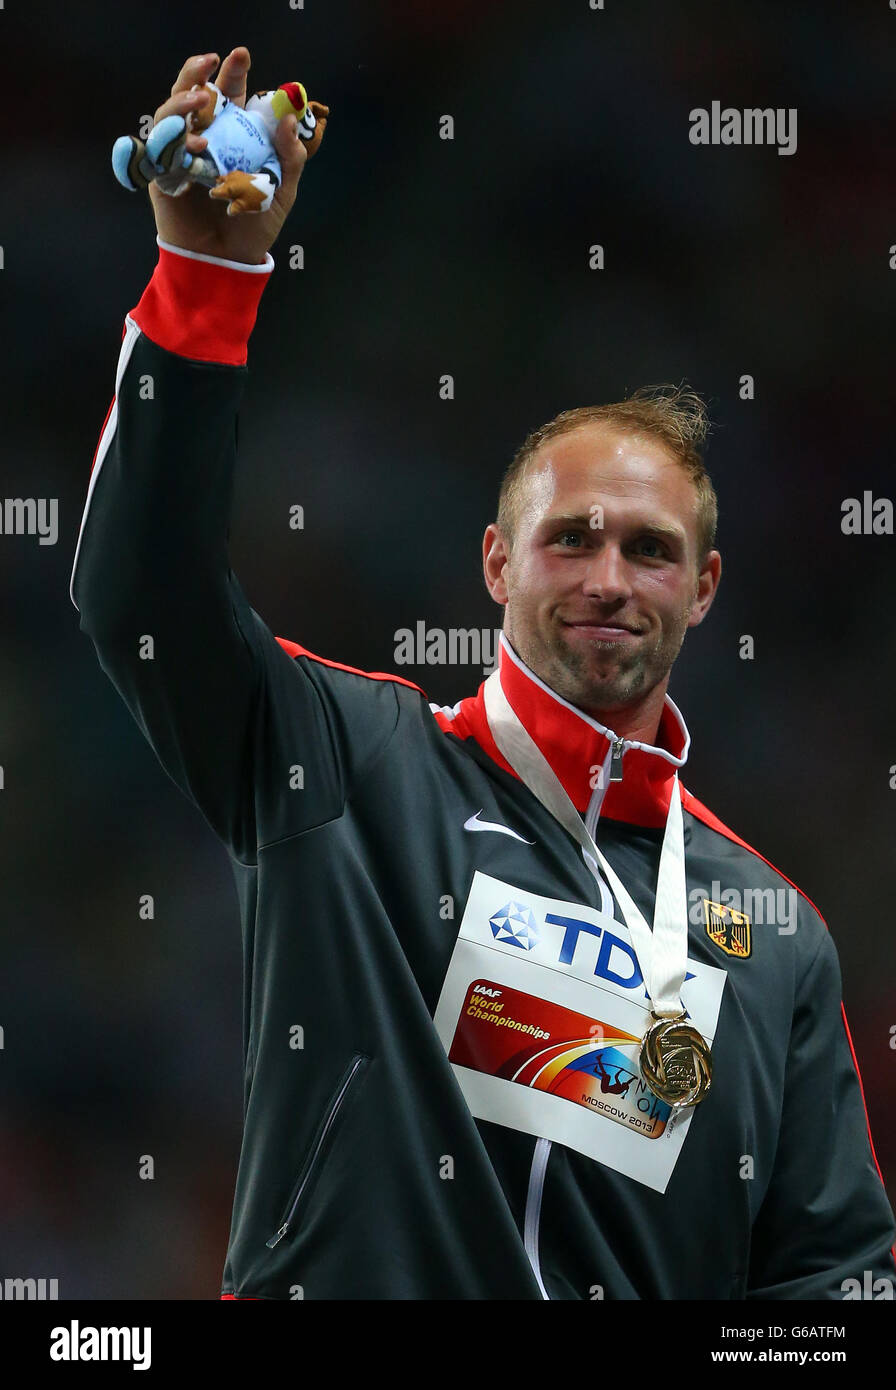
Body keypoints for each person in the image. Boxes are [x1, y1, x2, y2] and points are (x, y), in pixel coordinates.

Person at [71, 47, 896, 1301]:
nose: (608, 577)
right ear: (494, 565)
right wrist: (204, 276)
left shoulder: (771, 936)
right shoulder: (344, 764)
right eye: (570, 539)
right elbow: (139, 594)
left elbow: (830, 1278)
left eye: (649, 549)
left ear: (704, 587)